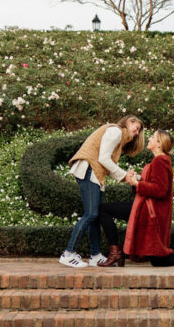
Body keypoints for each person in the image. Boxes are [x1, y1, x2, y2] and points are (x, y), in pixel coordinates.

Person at [98, 130, 174, 268]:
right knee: (158, 260)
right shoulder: (160, 161)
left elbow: (160, 190)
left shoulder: (160, 161)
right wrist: (136, 180)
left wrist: (137, 183)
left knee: (103, 210)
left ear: (159, 143)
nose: (149, 139)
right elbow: (153, 186)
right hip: (149, 210)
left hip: (151, 213)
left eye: (153, 137)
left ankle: (116, 252)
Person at [59, 115, 145, 268]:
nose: (136, 132)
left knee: (96, 215)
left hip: (95, 172)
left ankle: (95, 255)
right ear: (128, 122)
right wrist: (125, 175)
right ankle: (68, 253)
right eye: (136, 127)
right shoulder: (116, 132)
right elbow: (104, 159)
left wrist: (133, 177)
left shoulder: (118, 137)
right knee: (91, 214)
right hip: (89, 169)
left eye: (138, 130)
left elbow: (107, 165)